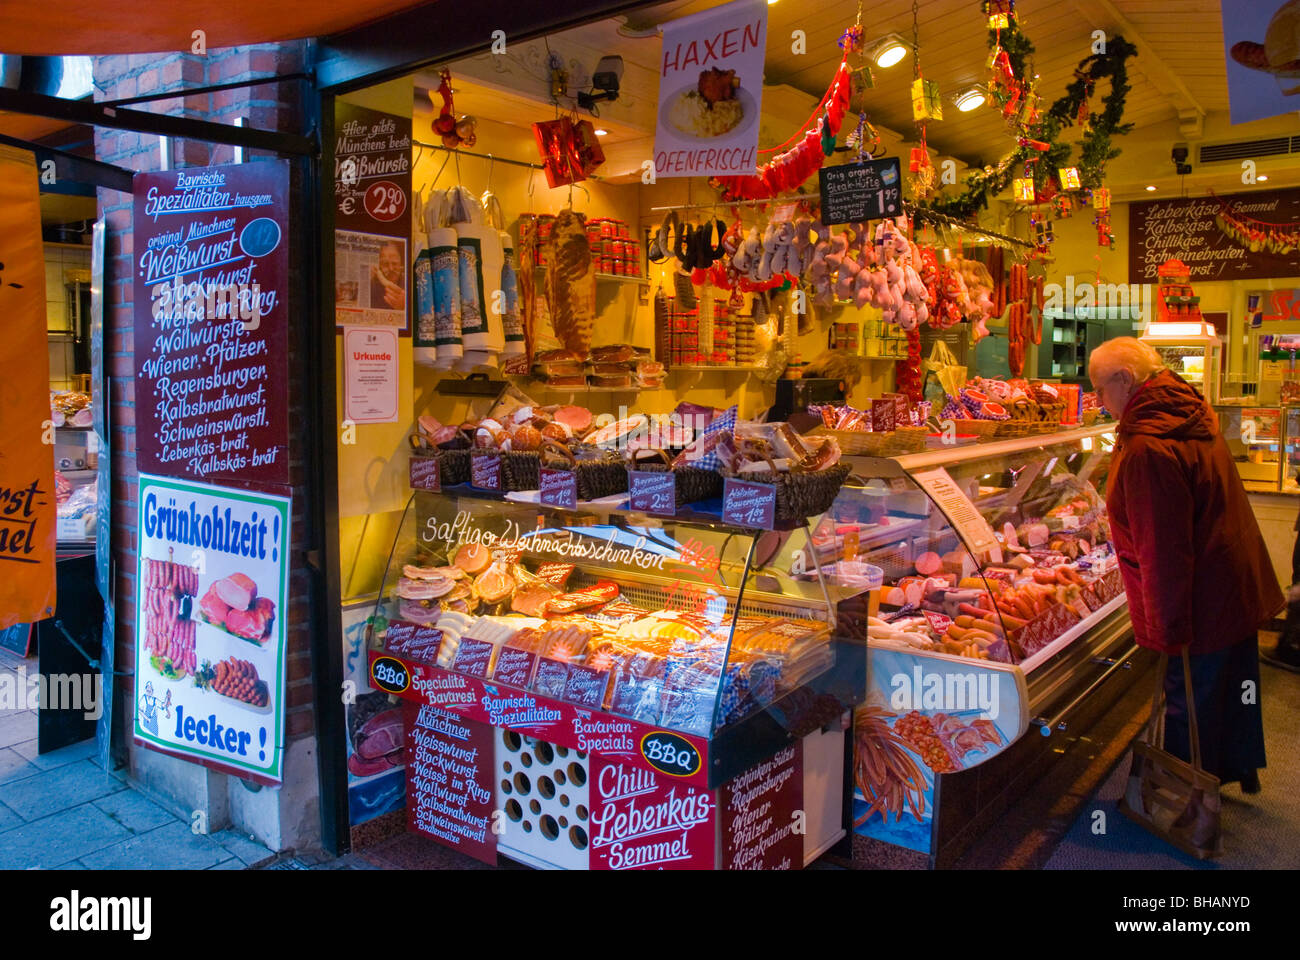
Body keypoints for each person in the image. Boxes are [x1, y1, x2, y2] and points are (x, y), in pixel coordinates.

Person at [1089, 337, 1282, 794]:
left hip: (1199, 598)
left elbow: (1163, 550)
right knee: (1230, 685)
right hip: (1231, 580)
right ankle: (1229, 770)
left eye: (1099, 389)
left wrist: (1166, 627)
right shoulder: (1188, 411)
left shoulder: (1147, 446)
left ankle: (1185, 801)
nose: (1098, 401)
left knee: (1189, 699)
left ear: (1126, 380)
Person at [370, 241, 406, 311]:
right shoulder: (372, 286)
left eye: (395, 263)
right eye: (385, 264)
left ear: (401, 263)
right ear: (379, 265)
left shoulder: (408, 284)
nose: (391, 268)